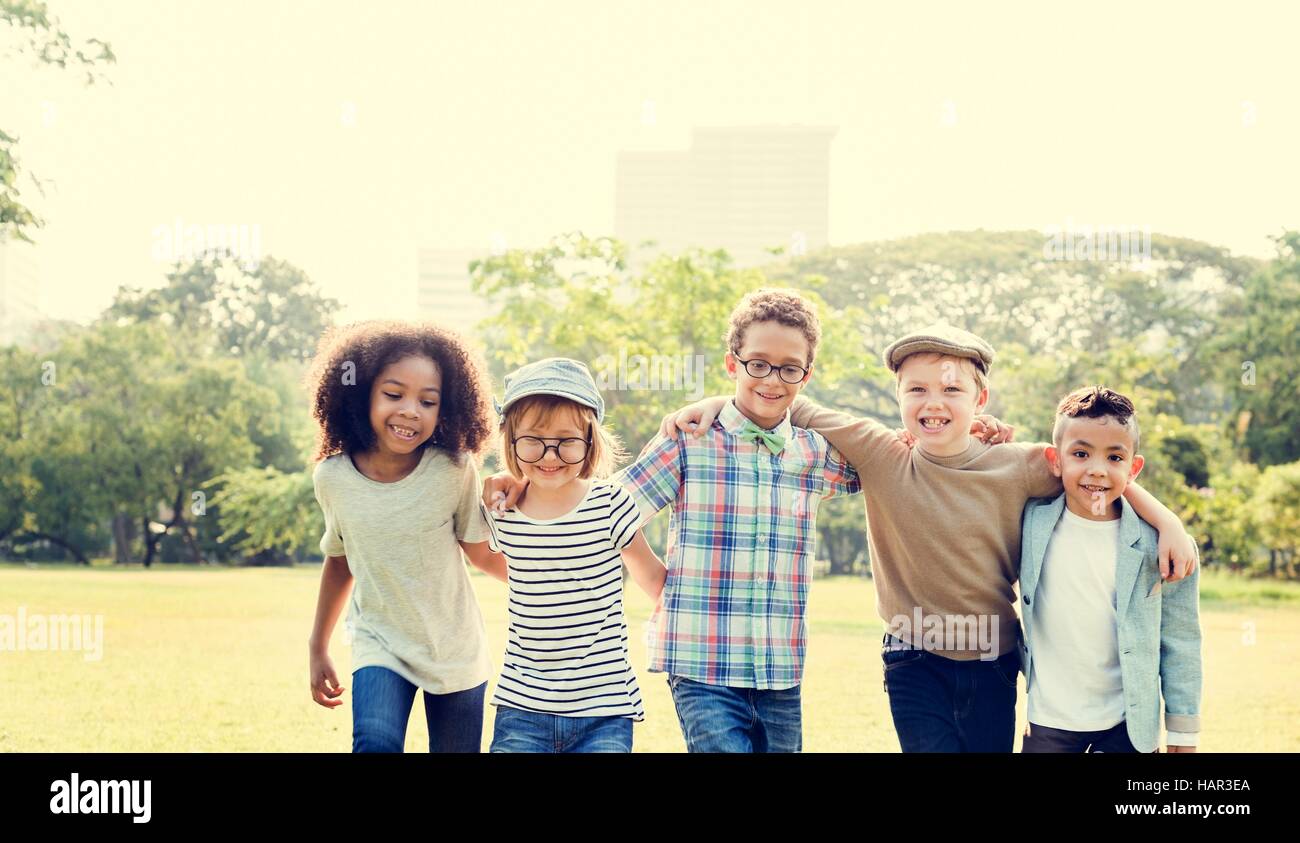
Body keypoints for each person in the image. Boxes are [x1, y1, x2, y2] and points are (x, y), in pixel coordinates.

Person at [306, 320, 506, 753]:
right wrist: (318, 645)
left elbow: (482, 553)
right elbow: (341, 560)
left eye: (427, 401)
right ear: (361, 396)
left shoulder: (454, 469)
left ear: (445, 408)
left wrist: (552, 575)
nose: (411, 410)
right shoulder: (333, 477)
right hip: (380, 643)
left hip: (455, 650)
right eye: (394, 394)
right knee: (374, 743)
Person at [484, 357, 666, 753]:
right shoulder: (501, 511)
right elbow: (485, 558)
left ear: (590, 442)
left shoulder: (610, 503)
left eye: (566, 441)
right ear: (510, 440)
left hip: (604, 708)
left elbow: (651, 576)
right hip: (522, 705)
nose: (550, 456)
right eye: (533, 439)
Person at [1019, 386, 1201, 753]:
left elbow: (1181, 641)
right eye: (1081, 453)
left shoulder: (1164, 546)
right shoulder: (1030, 521)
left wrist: (1183, 732)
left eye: (1115, 457)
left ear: (1134, 467)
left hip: (1128, 728)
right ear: (1056, 460)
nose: (1097, 470)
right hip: (1049, 724)